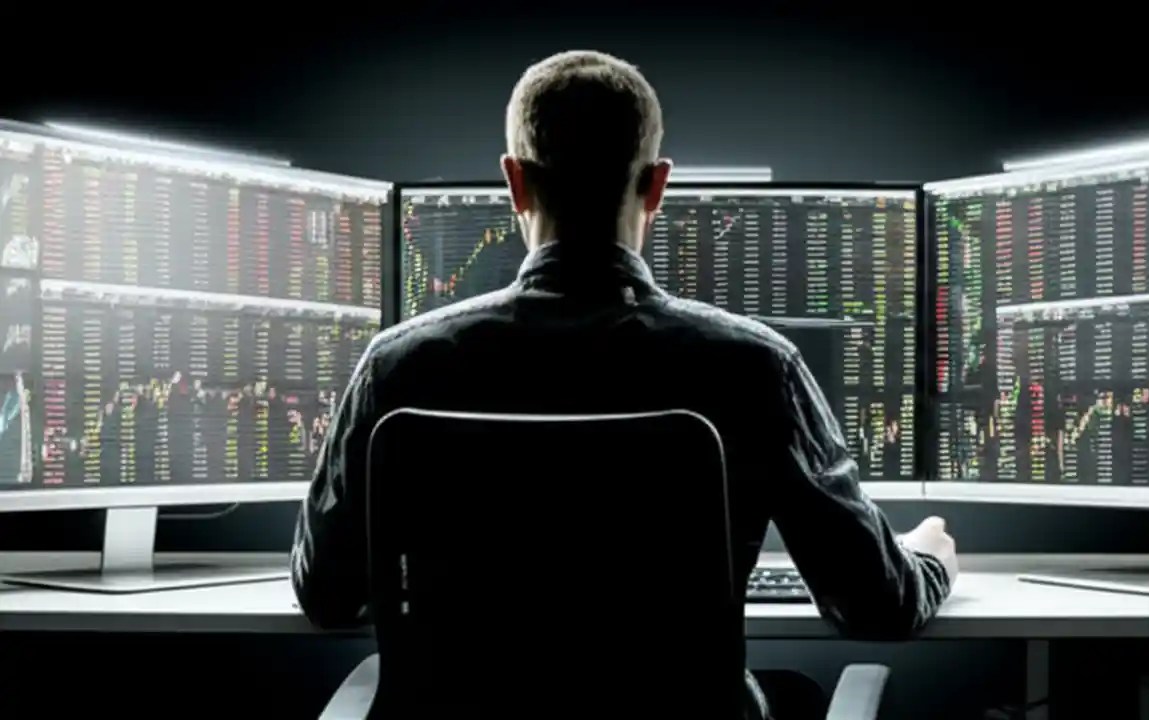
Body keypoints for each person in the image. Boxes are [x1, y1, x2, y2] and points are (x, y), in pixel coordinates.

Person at [291, 49, 958, 718]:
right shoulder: (754, 367)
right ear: (658, 185)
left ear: (514, 182)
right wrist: (929, 559)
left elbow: (326, 596)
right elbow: (877, 604)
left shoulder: (398, 367)